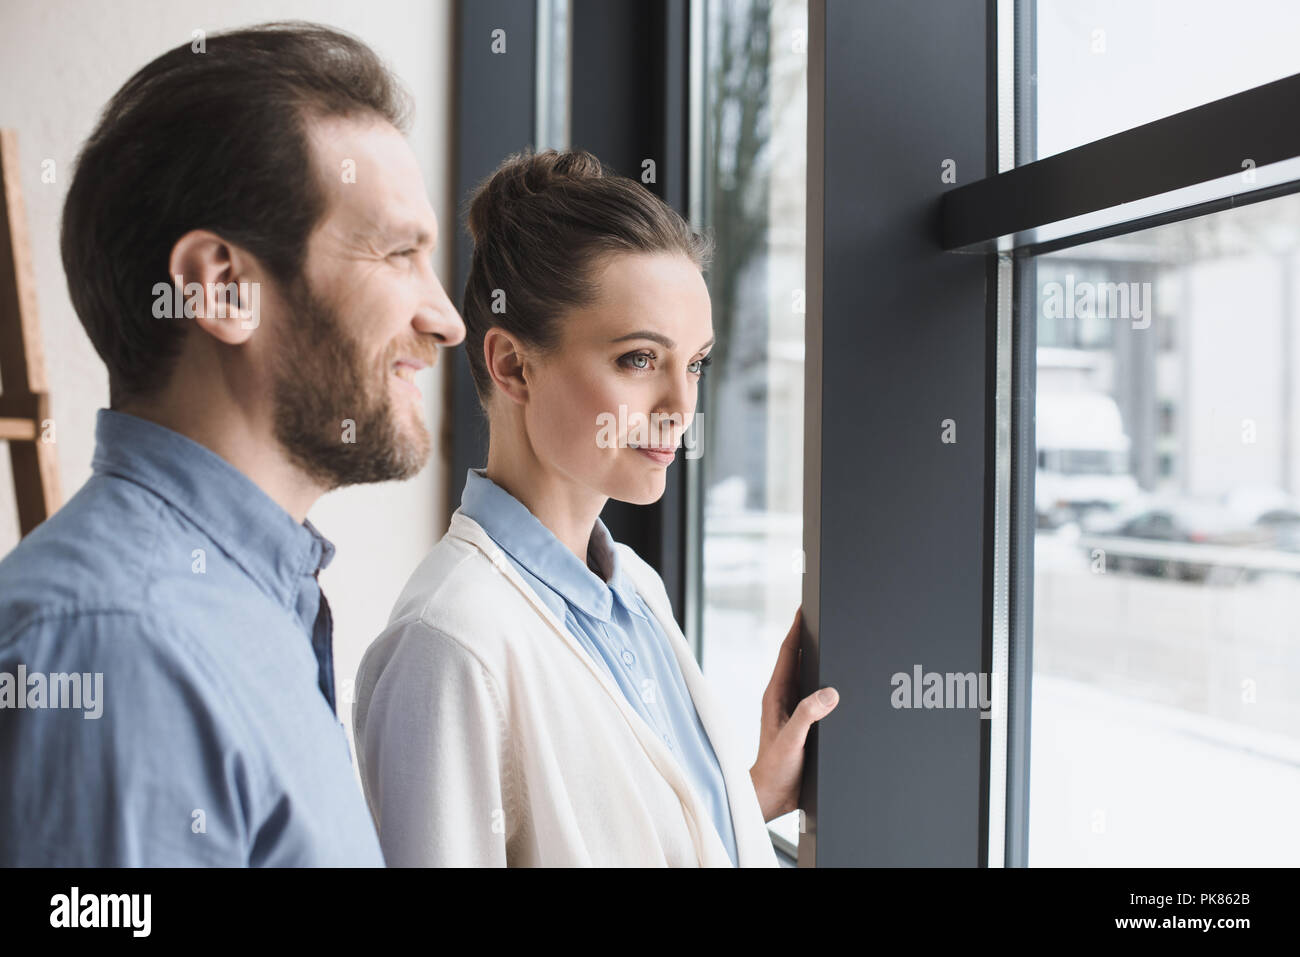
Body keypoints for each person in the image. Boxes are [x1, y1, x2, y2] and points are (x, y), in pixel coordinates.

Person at [0, 22, 465, 865]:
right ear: (220, 287)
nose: (446, 319)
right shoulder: (121, 648)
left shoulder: (244, 608)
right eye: (400, 254)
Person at [353, 148, 839, 866]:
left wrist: (745, 799)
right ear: (513, 365)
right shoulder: (451, 644)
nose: (682, 406)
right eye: (640, 359)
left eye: (696, 363)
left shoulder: (635, 590)